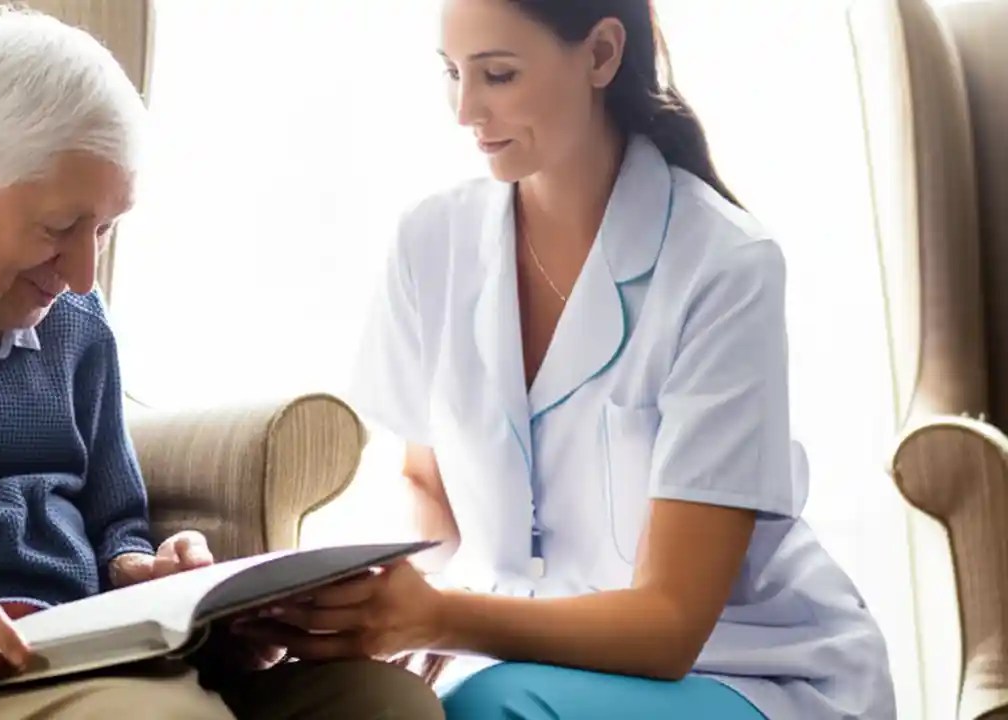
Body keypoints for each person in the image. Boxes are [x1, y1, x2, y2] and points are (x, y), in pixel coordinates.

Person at [0, 9, 441, 720]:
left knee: (383, 702)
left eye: (104, 229)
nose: (81, 277)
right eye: (62, 228)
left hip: (84, 665)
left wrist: (153, 578)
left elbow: (115, 527)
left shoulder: (73, 324)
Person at [232, 1, 897, 718]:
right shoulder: (431, 243)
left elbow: (670, 626)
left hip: (743, 674)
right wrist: (374, 610)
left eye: (498, 74)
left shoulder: (725, 265)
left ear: (603, 55)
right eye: (452, 74)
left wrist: (437, 616)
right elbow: (427, 483)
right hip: (526, 657)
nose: (465, 111)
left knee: (491, 708)